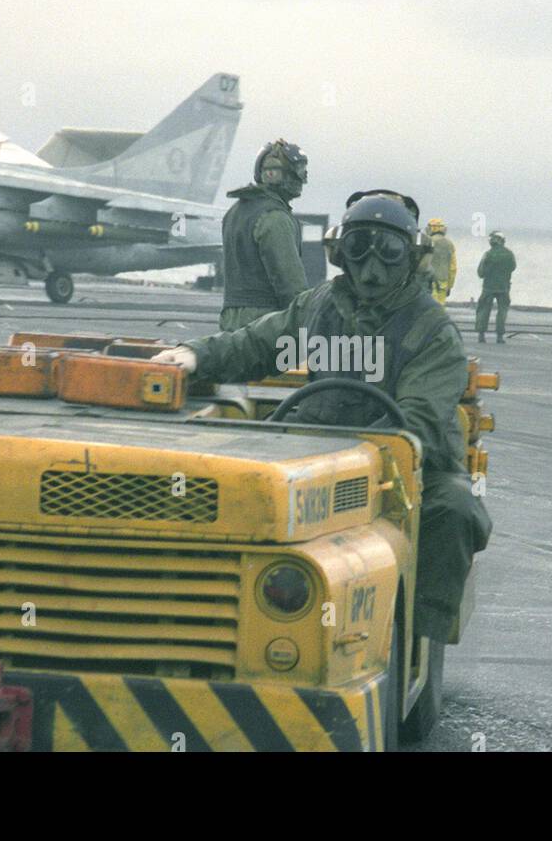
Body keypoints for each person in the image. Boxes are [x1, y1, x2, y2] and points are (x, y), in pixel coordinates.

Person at [153, 189, 491, 641]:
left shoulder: (431, 332)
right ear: (340, 253)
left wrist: (352, 467)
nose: (371, 268)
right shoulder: (318, 307)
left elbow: (419, 424)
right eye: (358, 248)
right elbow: (255, 343)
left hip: (405, 471)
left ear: (410, 259)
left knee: (454, 509)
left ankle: (416, 638)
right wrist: (192, 356)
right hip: (316, 454)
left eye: (389, 252)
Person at [217, 139, 310, 331]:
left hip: (231, 319)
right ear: (274, 173)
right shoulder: (275, 217)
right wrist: (306, 320)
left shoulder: (235, 212)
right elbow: (290, 283)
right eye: (299, 170)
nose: (302, 178)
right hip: (264, 322)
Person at [475, 231, 516, 343]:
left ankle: (481, 334)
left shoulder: (488, 254)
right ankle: (499, 336)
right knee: (502, 311)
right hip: (504, 287)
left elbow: (480, 273)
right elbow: (513, 267)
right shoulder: (509, 254)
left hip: (488, 287)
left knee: (483, 310)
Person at [425, 217, 457, 305]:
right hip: (443, 282)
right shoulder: (449, 244)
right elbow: (453, 268)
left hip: (428, 282)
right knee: (440, 308)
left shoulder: (427, 242)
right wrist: (450, 286)